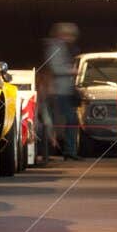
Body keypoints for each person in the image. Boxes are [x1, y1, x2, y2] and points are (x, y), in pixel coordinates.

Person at [42, 22, 80, 159]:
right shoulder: (56, 48)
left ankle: (62, 150)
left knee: (63, 121)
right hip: (59, 91)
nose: (72, 38)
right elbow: (56, 68)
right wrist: (71, 71)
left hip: (62, 90)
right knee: (69, 119)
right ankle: (67, 151)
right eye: (70, 35)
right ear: (63, 34)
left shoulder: (60, 47)